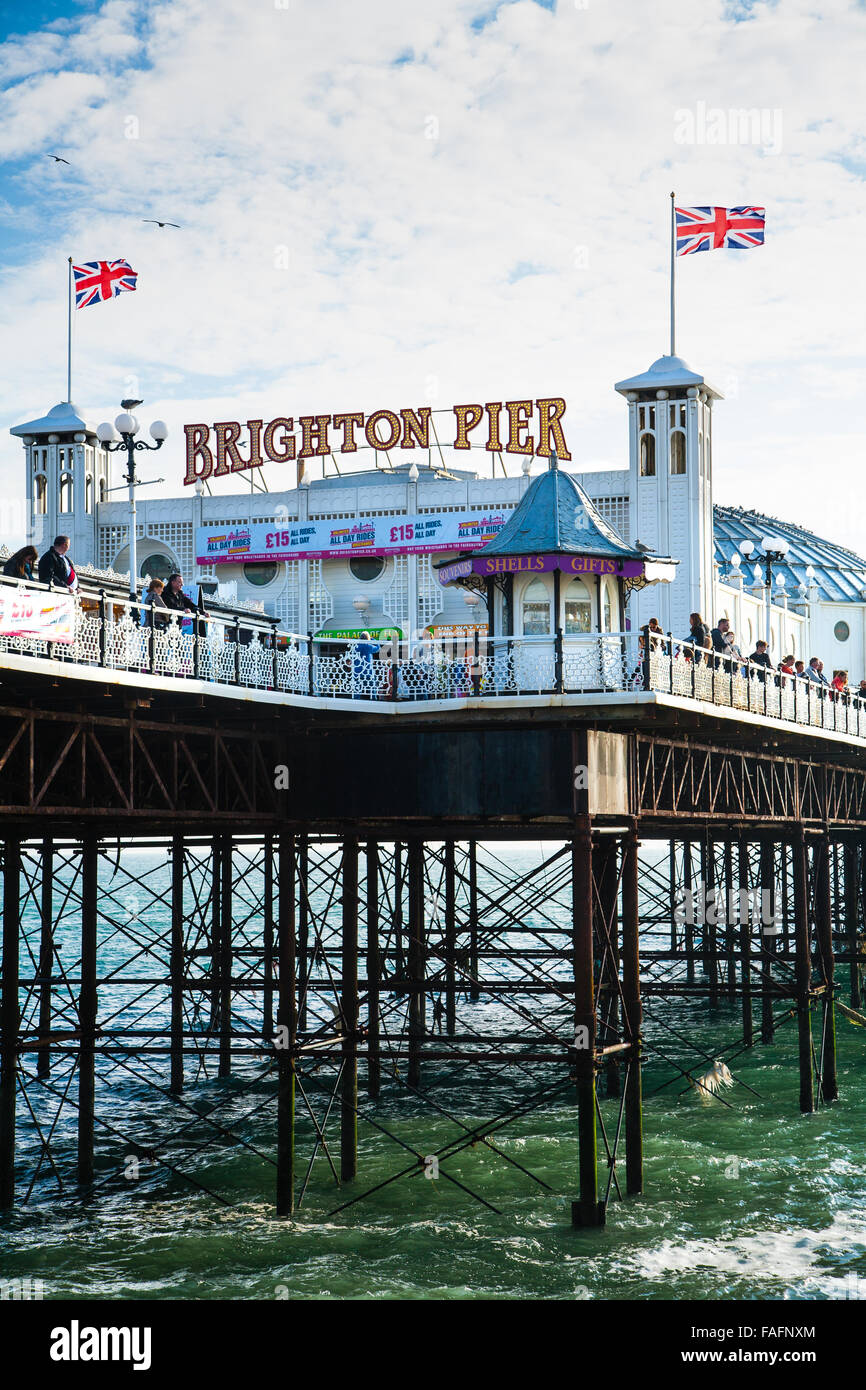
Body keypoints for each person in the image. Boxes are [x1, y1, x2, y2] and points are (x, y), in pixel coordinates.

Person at [352, 630, 380, 699]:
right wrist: (373, 639)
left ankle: (356, 700)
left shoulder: (356, 646)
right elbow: (378, 648)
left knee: (357, 689)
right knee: (372, 688)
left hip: (357, 672)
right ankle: (374, 699)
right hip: (367, 672)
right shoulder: (368, 646)